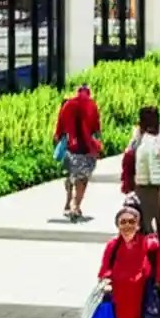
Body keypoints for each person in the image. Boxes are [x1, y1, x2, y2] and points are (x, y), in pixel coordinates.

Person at [53, 84, 101, 220]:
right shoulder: (91, 105)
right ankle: (76, 205)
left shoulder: (68, 105)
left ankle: (69, 202)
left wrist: (58, 140)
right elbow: (97, 128)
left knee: (71, 177)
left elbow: (59, 127)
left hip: (70, 148)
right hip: (86, 149)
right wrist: (98, 146)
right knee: (82, 179)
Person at [132, 106, 160, 241]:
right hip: (143, 182)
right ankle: (150, 244)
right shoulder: (139, 132)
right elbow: (131, 149)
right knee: (146, 219)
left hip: (159, 184)